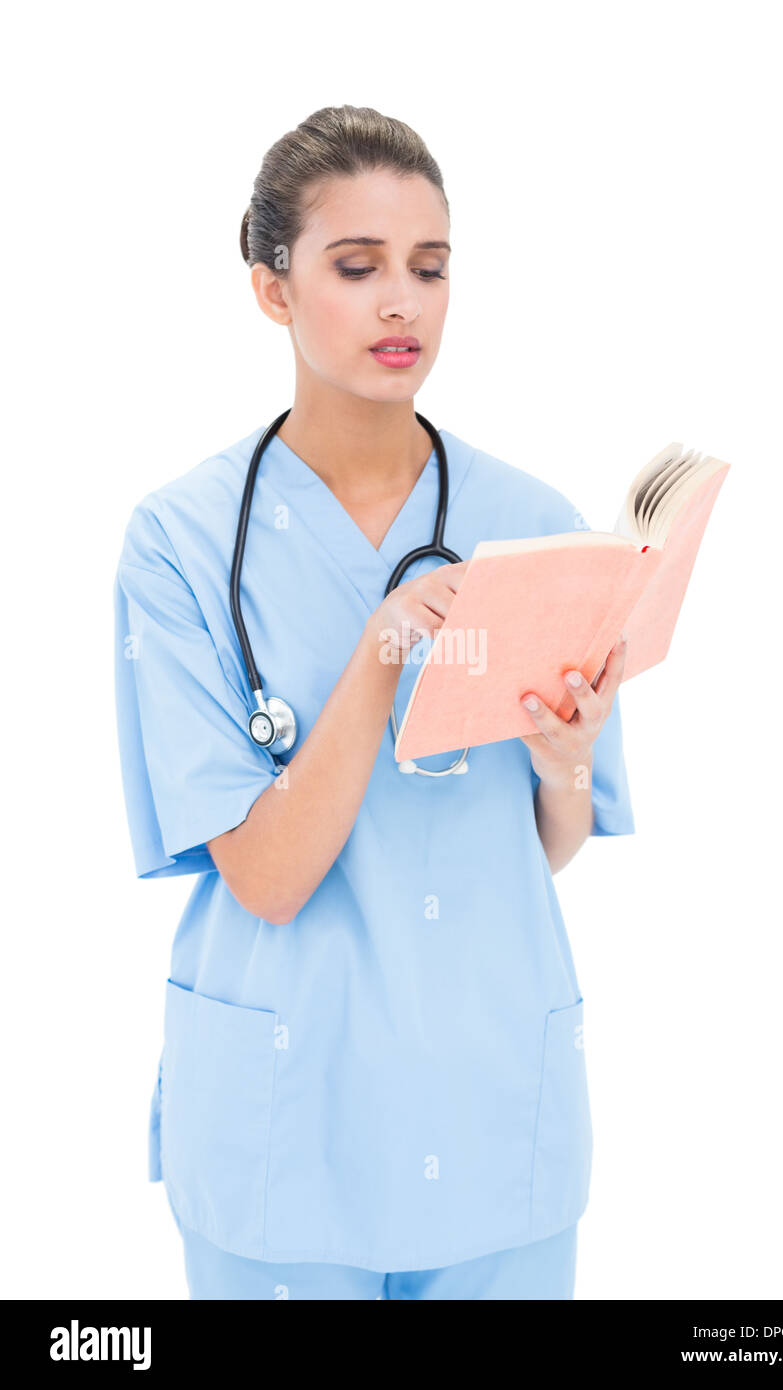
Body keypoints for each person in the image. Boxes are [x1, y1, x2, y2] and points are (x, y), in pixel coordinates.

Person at [114, 104, 635, 1302]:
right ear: (271, 287)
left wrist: (565, 756)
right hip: (285, 1118)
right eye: (356, 267)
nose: (402, 302)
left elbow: (543, 843)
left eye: (429, 268)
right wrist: (376, 658)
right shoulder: (181, 543)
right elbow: (267, 876)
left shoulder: (529, 520)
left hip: (493, 1099)